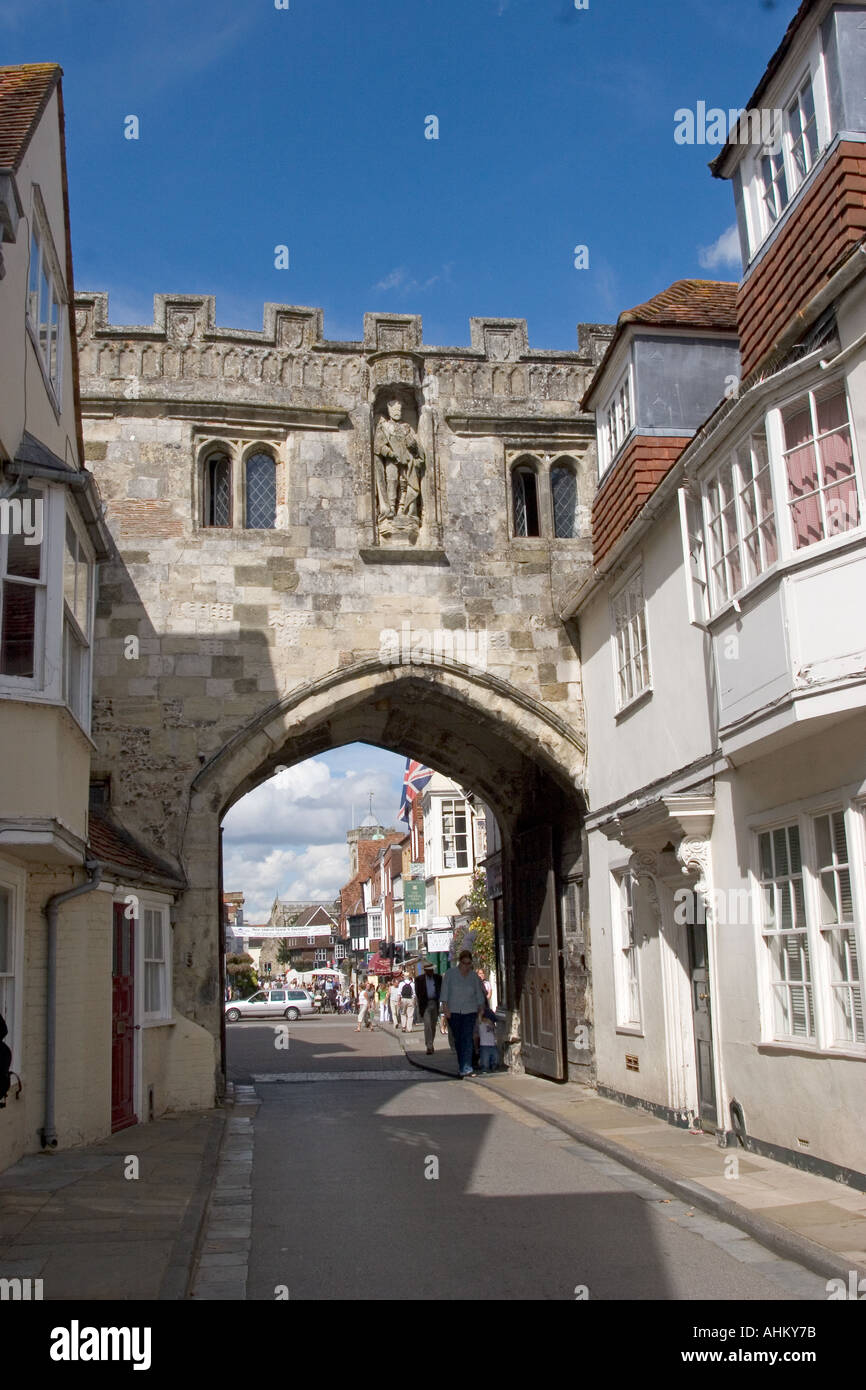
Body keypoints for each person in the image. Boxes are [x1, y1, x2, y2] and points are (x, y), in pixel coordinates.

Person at [440, 949, 487, 1077]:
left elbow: (479, 994)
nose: (466, 967)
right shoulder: (450, 974)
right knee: (458, 1039)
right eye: (464, 963)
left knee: (467, 1038)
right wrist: (445, 1009)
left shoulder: (473, 977)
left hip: (469, 1011)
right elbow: (444, 993)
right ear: (460, 962)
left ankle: (467, 1067)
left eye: (468, 964)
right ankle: (462, 1065)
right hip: (453, 1011)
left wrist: (481, 1008)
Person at [414, 960, 443, 1055]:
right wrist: (419, 1004)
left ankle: (431, 1043)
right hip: (425, 1004)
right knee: (427, 1025)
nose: (431, 972)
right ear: (425, 971)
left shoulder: (438, 978)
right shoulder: (419, 979)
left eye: (432, 970)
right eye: (429, 970)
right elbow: (418, 992)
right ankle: (429, 1046)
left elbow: (441, 989)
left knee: (433, 1026)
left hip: (434, 1003)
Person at [477, 1007, 499, 1072]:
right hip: (484, 1045)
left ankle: (494, 1067)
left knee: (496, 1058)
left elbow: (496, 1032)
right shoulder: (481, 1024)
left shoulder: (492, 1025)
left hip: (493, 1045)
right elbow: (479, 1019)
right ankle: (484, 1068)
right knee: (485, 1059)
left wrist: (494, 1027)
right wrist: (481, 1013)